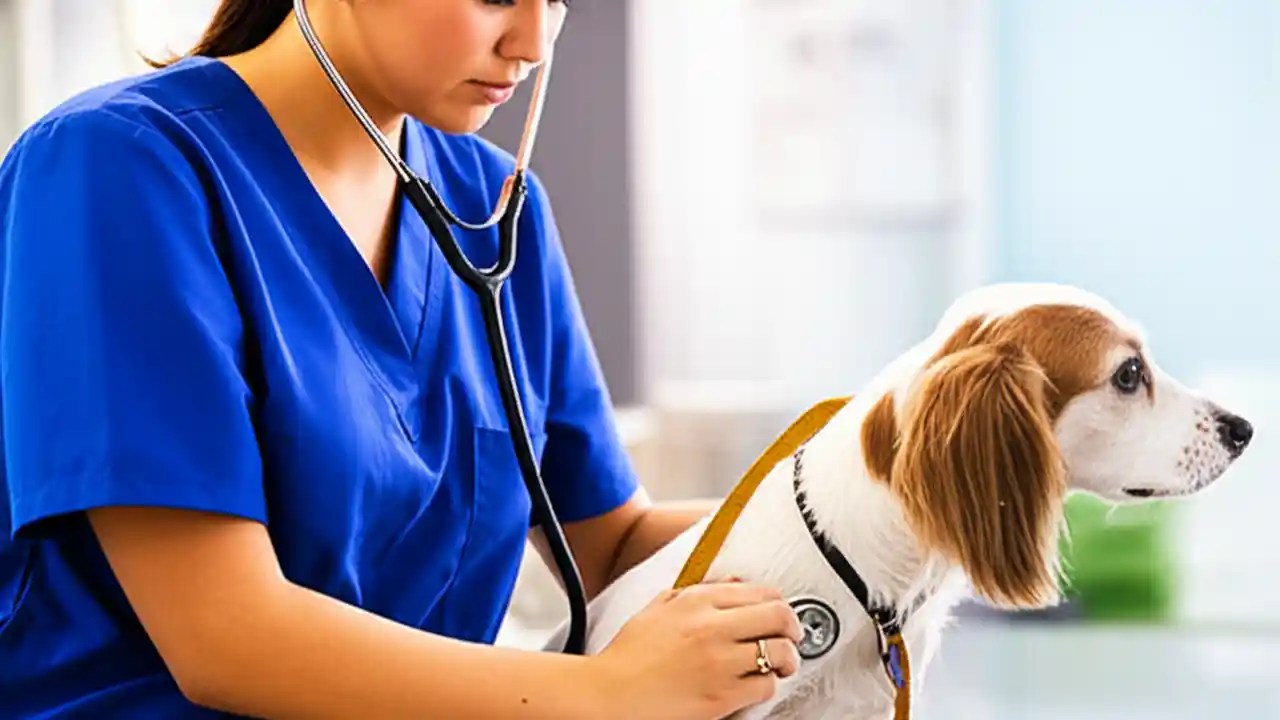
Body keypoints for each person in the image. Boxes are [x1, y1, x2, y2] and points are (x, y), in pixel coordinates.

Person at [0, 1, 804, 718]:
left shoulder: (493, 201)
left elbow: (610, 543)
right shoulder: (115, 166)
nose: (532, 41)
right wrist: (604, 694)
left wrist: (866, 501)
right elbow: (223, 638)